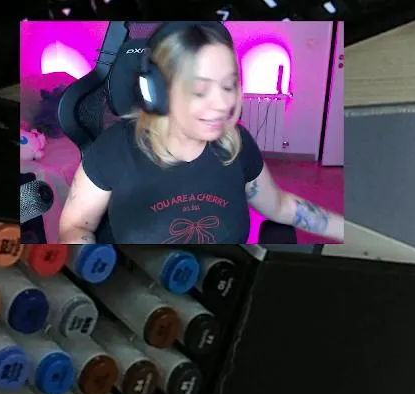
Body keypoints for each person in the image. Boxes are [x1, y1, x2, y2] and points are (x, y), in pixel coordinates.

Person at [58, 22, 344, 245]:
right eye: (200, 89)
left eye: (228, 85)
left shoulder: (237, 144)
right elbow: (75, 226)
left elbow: (278, 205)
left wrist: (348, 229)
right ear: (157, 91)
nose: (223, 104)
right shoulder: (113, 149)